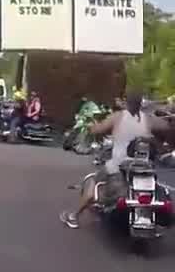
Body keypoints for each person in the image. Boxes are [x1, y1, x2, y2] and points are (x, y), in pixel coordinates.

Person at [61, 93, 170, 229]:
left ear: (127, 103)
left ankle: (73, 216)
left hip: (118, 165)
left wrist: (91, 125)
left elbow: (97, 130)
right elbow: (166, 126)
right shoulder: (148, 119)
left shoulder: (118, 117)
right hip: (143, 167)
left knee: (94, 182)